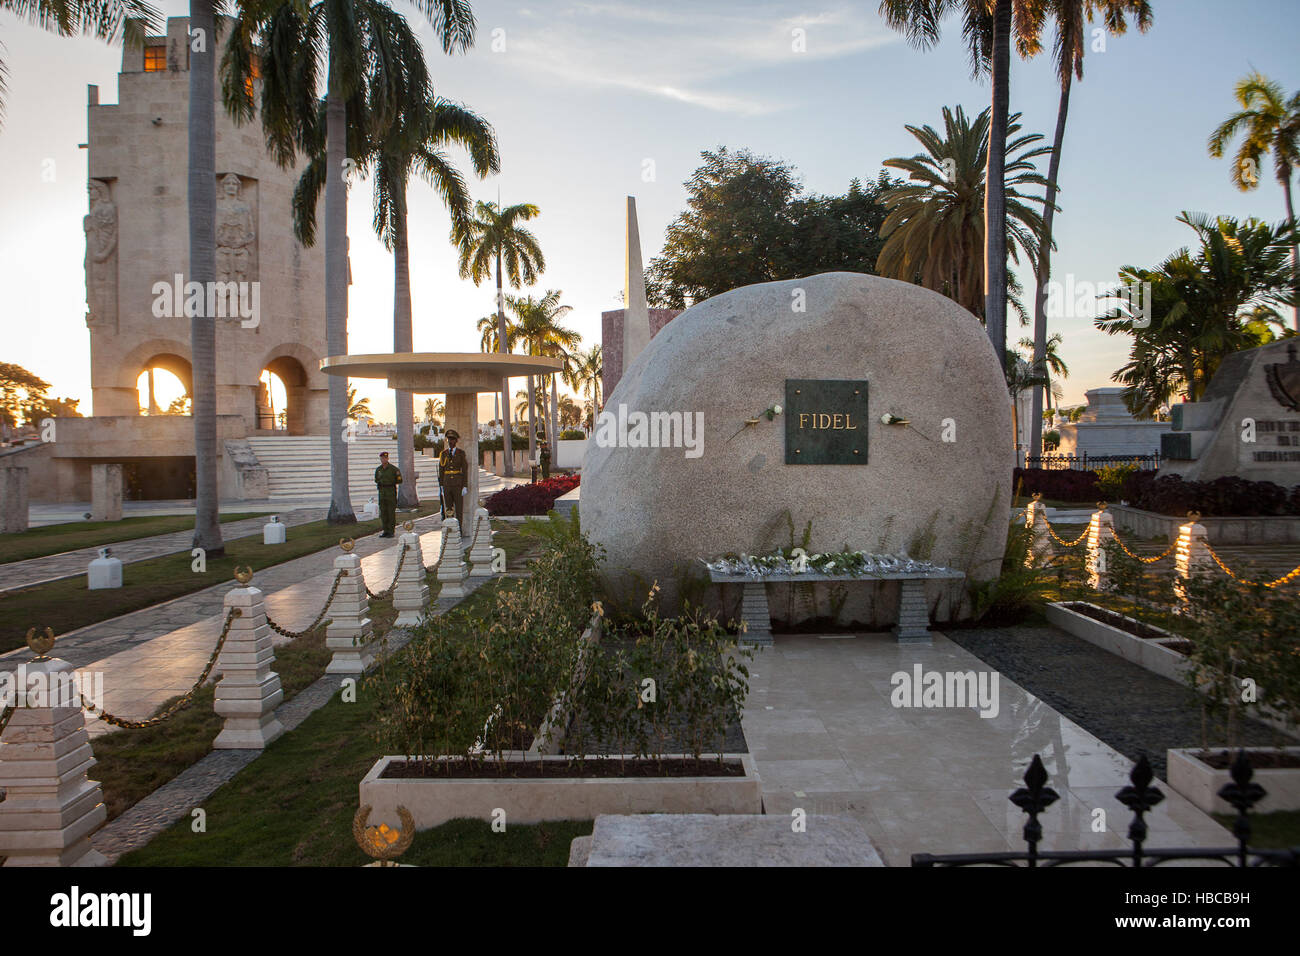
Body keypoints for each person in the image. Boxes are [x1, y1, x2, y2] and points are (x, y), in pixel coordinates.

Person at [438, 429, 469, 530]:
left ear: (456, 441)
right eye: (449, 439)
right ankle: (450, 528)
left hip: (457, 484)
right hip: (447, 484)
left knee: (459, 508)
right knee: (448, 508)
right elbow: (441, 470)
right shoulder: (443, 454)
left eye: (452, 440)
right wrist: (441, 485)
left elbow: (464, 470)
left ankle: (458, 529)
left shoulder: (461, 453)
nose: (450, 442)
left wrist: (465, 485)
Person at [374, 451, 402, 537]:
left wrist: (390, 482)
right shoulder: (378, 469)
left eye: (385, 458)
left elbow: (400, 480)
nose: (383, 459)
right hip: (382, 492)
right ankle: (385, 530)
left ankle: (391, 531)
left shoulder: (394, 469)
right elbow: (376, 479)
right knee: (383, 512)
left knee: (390, 512)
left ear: (388, 458)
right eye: (382, 458)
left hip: (390, 492)